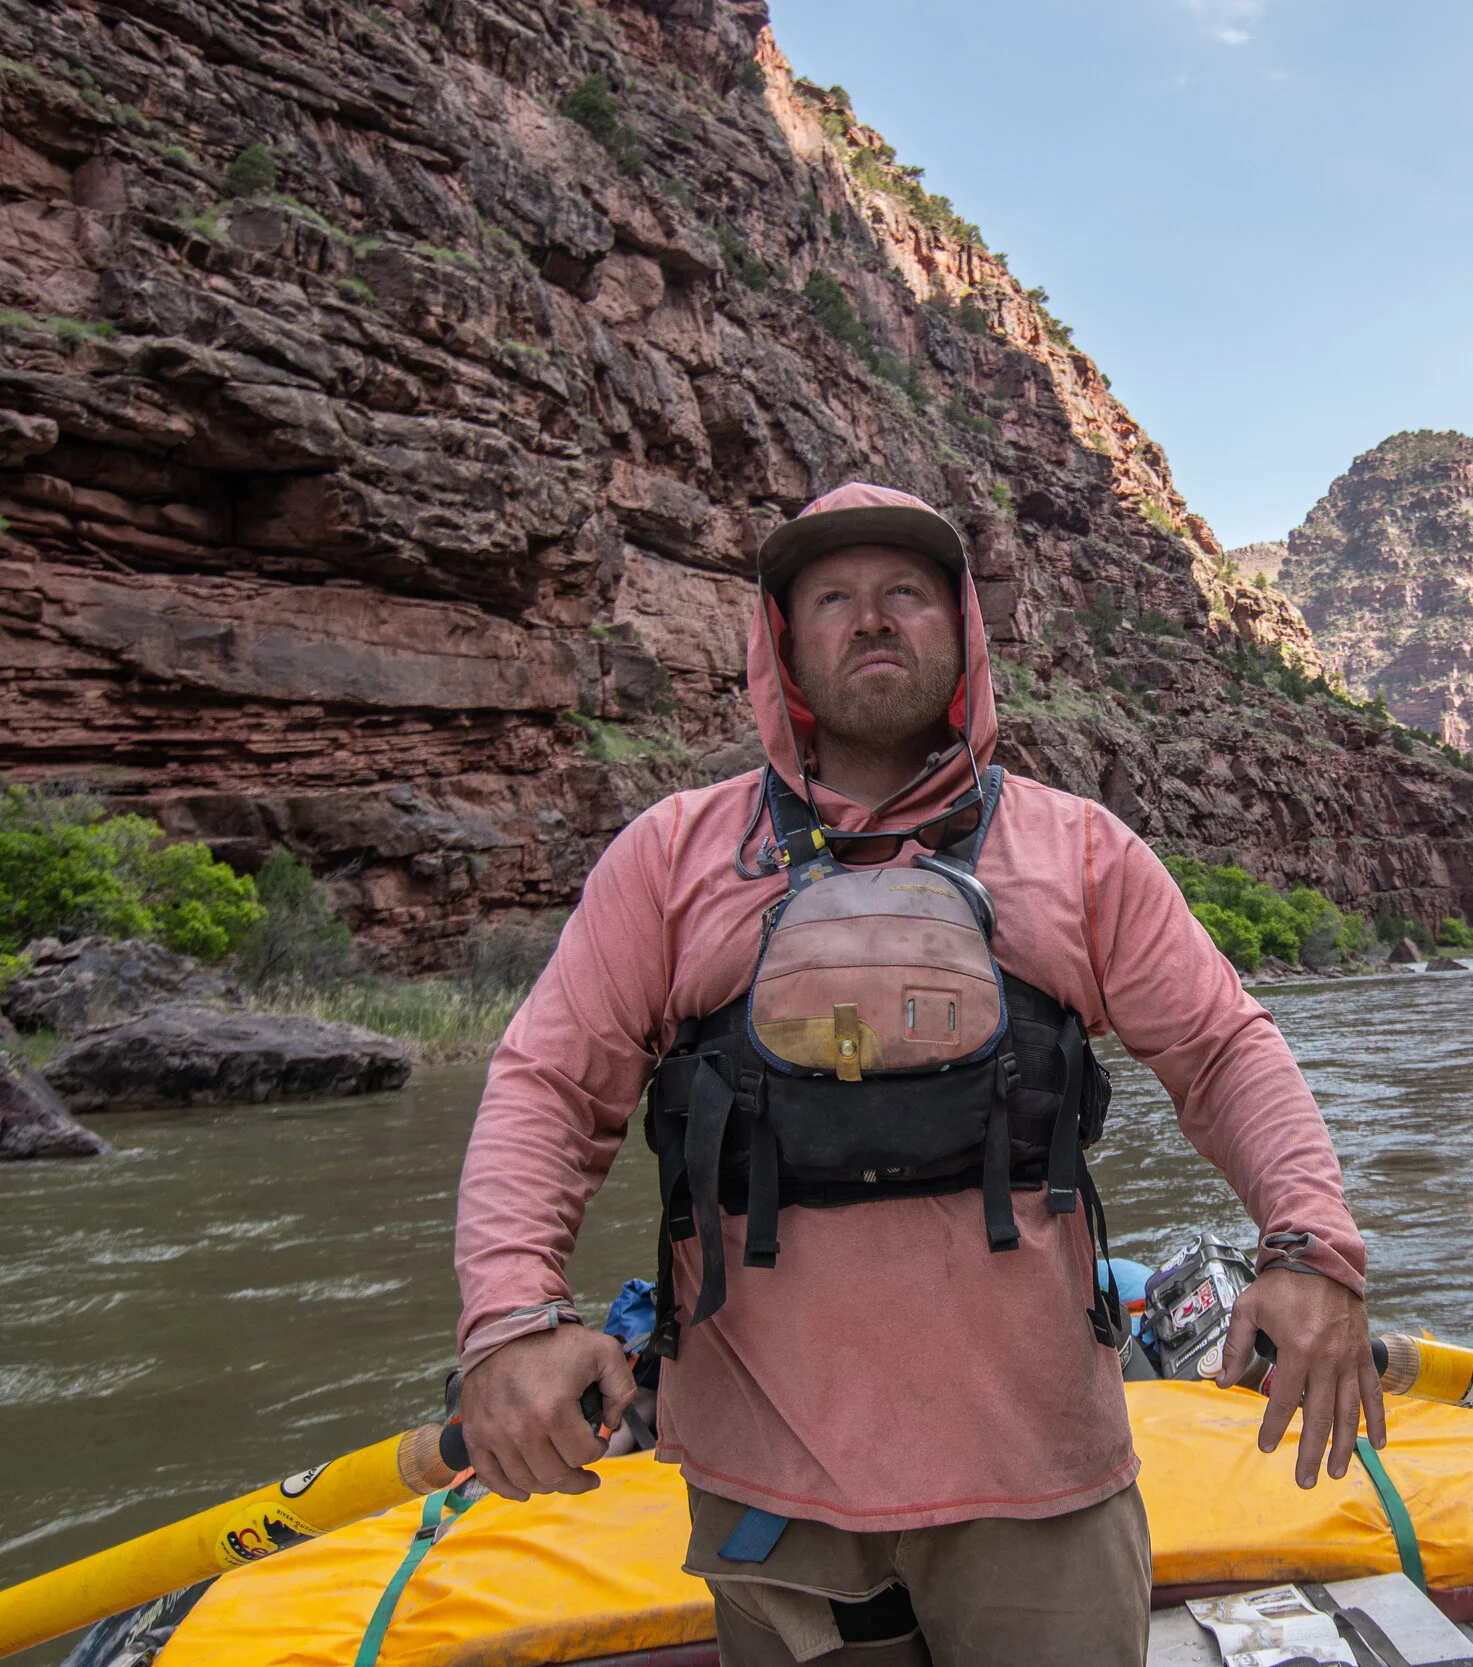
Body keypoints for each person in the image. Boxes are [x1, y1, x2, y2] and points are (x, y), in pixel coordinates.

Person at [452, 482, 1382, 1667]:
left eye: (904, 593)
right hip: (769, 1483)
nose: (871, 620)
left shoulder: (1081, 850)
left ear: (961, 634)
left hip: (1039, 1480)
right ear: (784, 645)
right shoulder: (672, 856)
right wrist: (509, 1316)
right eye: (832, 598)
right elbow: (549, 1086)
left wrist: (1310, 1247)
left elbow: (1223, 1047)